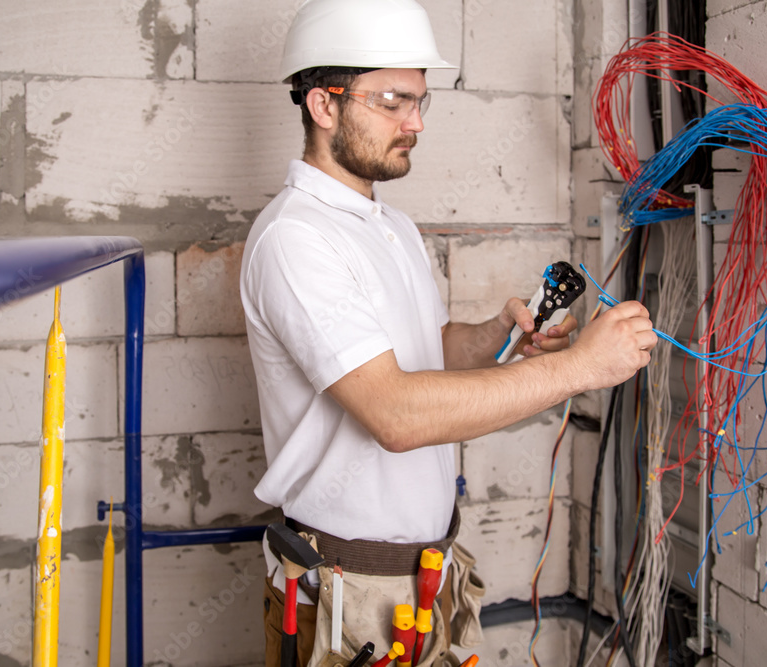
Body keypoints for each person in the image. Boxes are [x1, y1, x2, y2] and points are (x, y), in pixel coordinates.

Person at [239, 1, 657, 665]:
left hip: (427, 574)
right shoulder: (297, 239)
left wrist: (499, 335)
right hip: (348, 590)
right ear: (324, 105)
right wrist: (578, 368)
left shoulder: (390, 227)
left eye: (421, 102)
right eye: (394, 102)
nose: (416, 123)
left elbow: (425, 351)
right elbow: (395, 413)